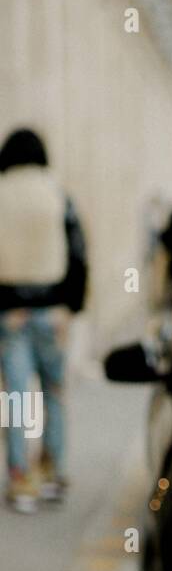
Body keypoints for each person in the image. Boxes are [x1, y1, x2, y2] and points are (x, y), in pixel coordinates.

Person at [0, 127, 87, 511]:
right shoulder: (57, 194)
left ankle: (21, 482)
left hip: (11, 312)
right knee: (54, 393)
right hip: (53, 310)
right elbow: (78, 251)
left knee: (17, 399)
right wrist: (72, 305)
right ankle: (54, 473)